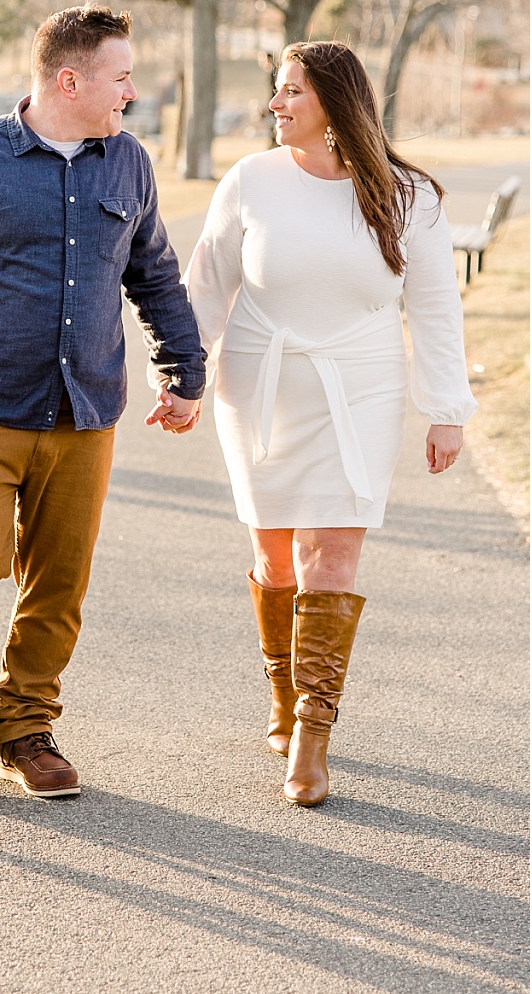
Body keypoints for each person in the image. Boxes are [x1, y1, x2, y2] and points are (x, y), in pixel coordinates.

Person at [0, 6, 205, 798]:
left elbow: (154, 273)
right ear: (70, 80)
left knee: (58, 582)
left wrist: (184, 371)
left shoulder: (128, 162)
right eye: (121, 77)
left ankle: (26, 729)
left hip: (85, 413)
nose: (132, 91)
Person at [185, 41, 476, 807]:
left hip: (362, 386)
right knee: (276, 557)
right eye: (276, 91)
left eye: (290, 92)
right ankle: (284, 698)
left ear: (334, 102)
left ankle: (314, 732)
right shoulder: (250, 181)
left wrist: (446, 410)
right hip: (262, 384)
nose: (274, 105)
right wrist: (181, 377)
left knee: (335, 554)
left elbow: (436, 308)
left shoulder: (409, 196)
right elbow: (206, 285)